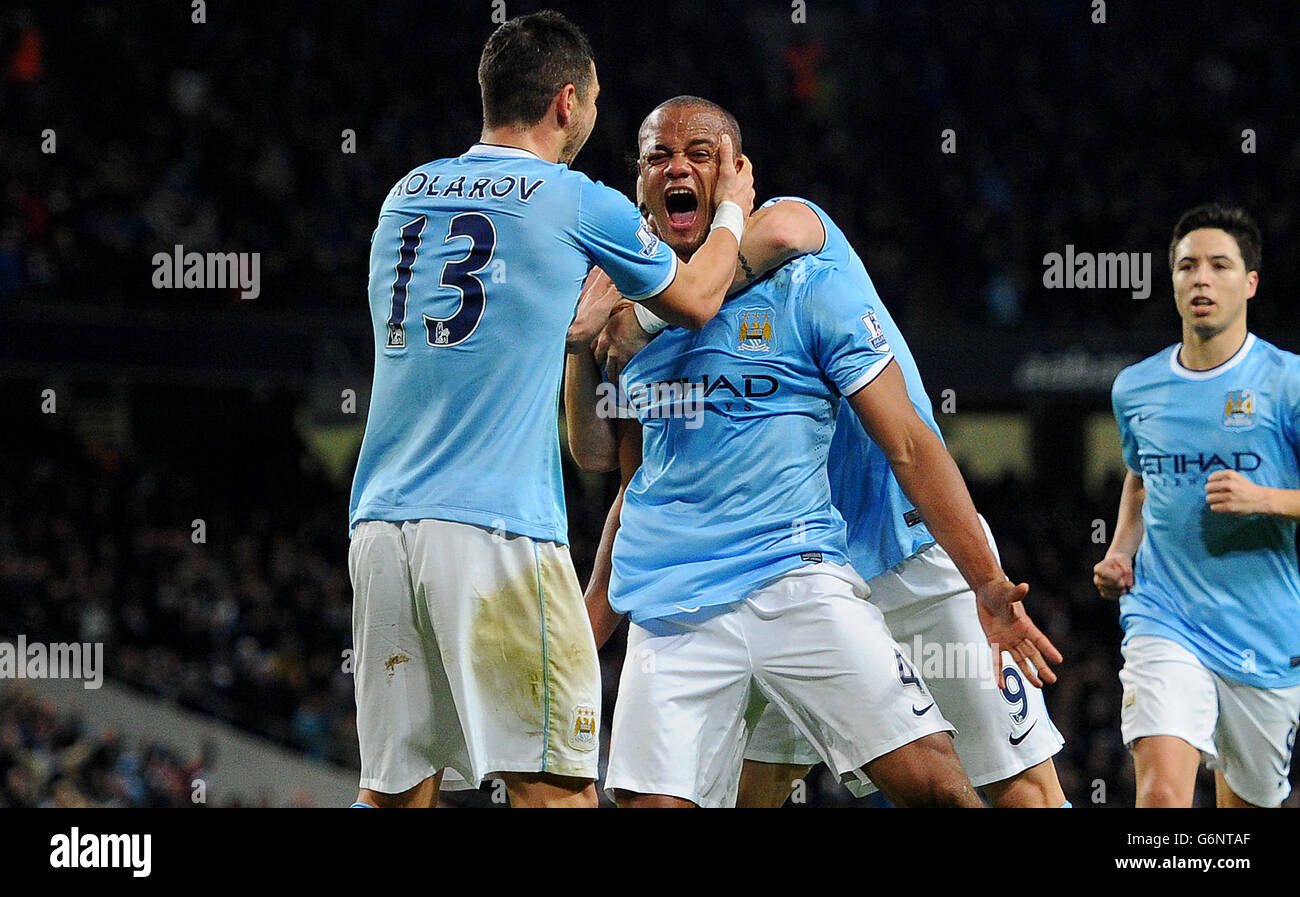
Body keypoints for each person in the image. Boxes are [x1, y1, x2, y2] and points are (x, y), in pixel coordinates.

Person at [566, 96, 1059, 807]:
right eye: (658, 157)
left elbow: (912, 449)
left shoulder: (794, 247)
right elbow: (637, 488)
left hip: (906, 540)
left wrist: (988, 581)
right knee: (756, 790)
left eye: (701, 155)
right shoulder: (628, 322)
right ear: (638, 185)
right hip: (771, 567)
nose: (678, 168)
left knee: (1015, 789)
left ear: (738, 175)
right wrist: (588, 626)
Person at [346, 12, 753, 809]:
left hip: (381, 527)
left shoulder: (404, 196)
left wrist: (563, 336)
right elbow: (701, 297)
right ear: (567, 103)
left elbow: (449, 339)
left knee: (395, 792)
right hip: (496, 531)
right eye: (596, 103)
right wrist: (734, 208)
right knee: (557, 791)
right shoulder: (575, 200)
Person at [1094, 203, 1300, 808]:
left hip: (1264, 632)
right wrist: (1120, 551)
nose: (1201, 279)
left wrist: (1267, 499)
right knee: (1160, 797)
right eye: (1187, 266)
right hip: (1165, 617)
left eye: (1219, 265)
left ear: (1250, 282)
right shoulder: (1136, 387)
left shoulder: (1286, 383)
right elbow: (1140, 478)